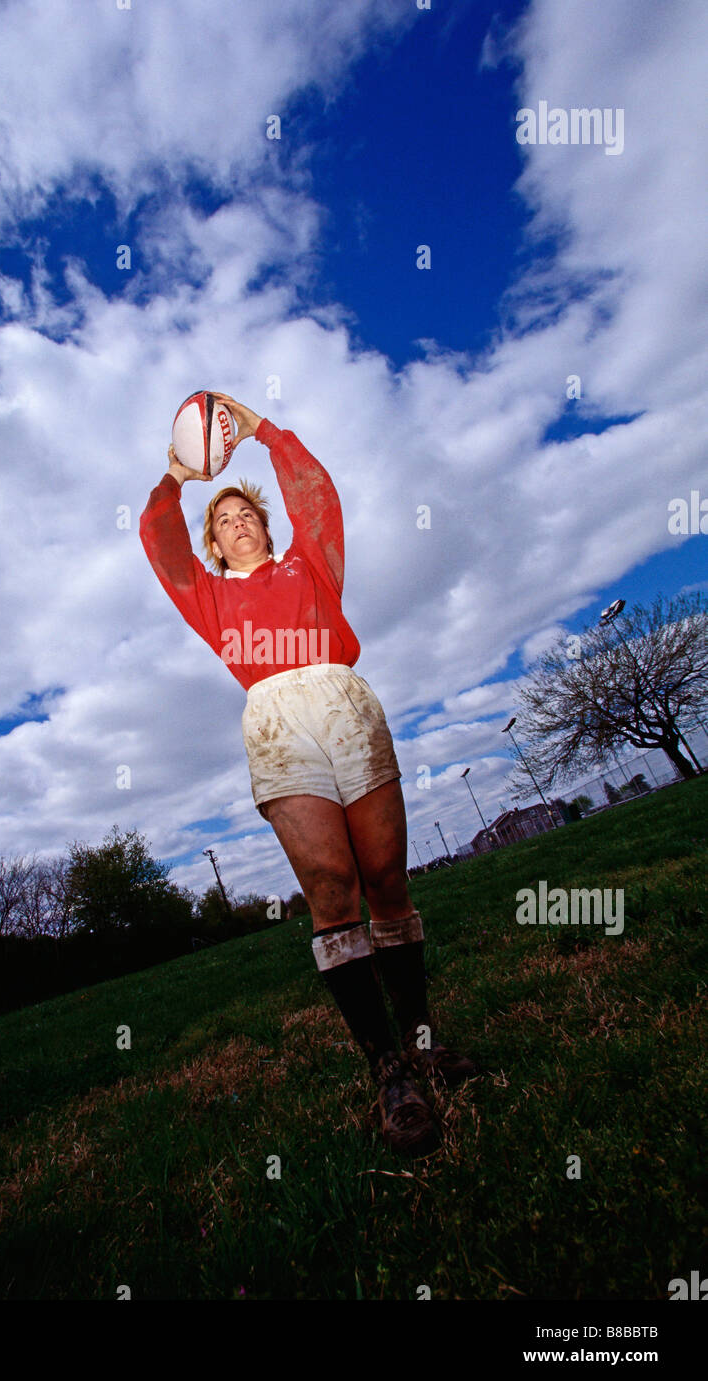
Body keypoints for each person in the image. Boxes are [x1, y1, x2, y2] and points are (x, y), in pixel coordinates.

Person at [139, 391, 477, 1155]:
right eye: (222, 522)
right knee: (330, 882)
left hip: (341, 698)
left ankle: (422, 1040)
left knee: (385, 872)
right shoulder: (210, 597)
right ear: (216, 548)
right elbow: (160, 545)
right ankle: (387, 1070)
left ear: (264, 525)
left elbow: (314, 492)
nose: (237, 524)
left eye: (247, 515)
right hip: (274, 717)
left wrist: (260, 431)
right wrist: (174, 480)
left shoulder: (310, 567)